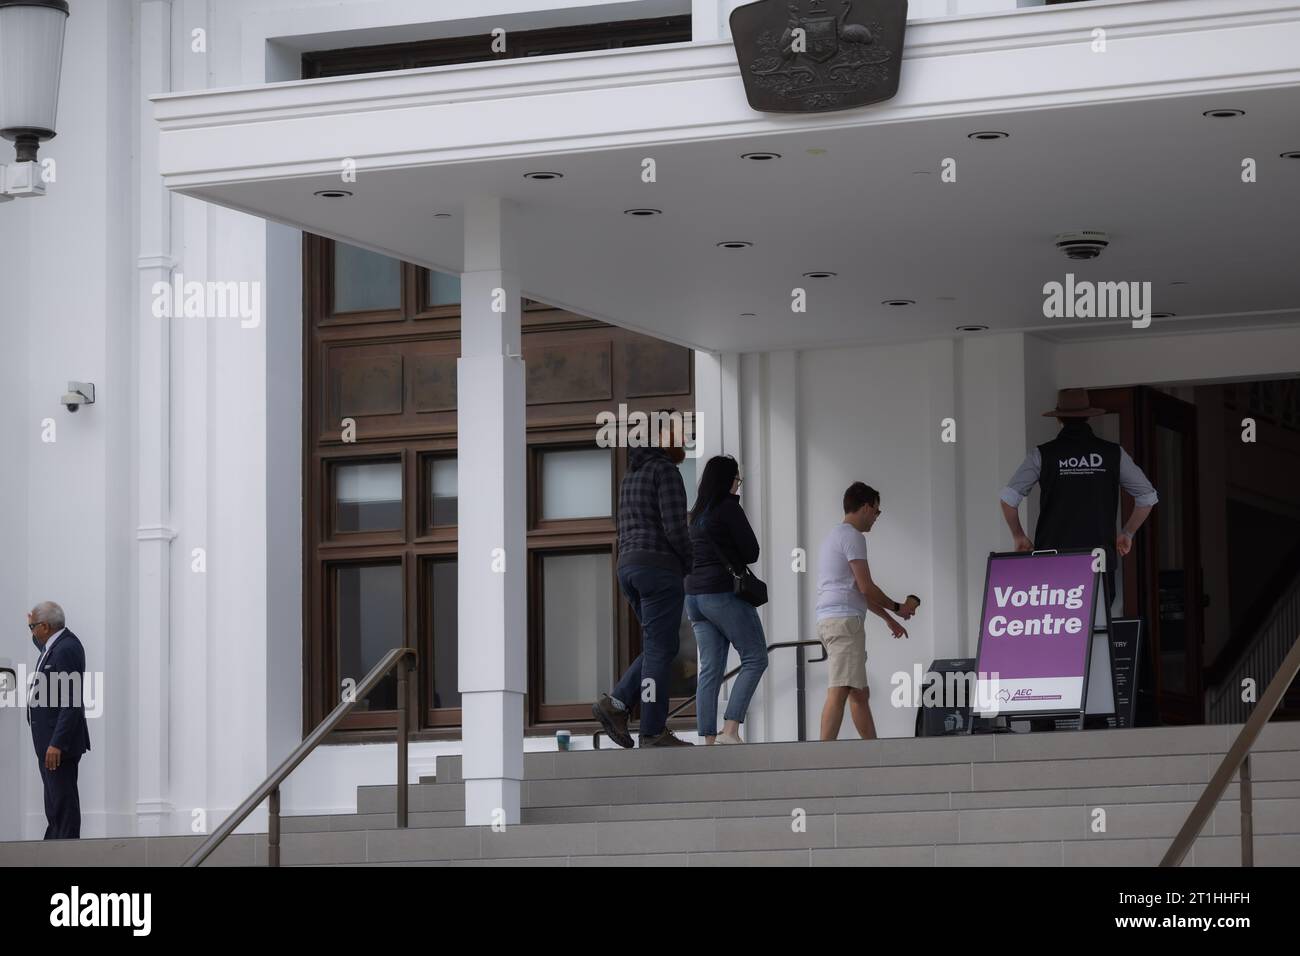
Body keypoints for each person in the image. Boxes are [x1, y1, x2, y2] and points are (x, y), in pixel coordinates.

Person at [592, 412, 694, 748]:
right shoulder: (665, 472)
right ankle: (651, 729)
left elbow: (622, 529)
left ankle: (619, 704)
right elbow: (676, 527)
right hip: (658, 570)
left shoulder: (629, 476)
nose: (683, 440)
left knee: (658, 648)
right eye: (678, 434)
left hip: (629, 568)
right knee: (660, 650)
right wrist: (689, 562)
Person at [1000, 388, 1158, 602]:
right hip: (1098, 559)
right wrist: (1127, 533)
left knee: (1056, 627)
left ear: (1059, 419)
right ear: (1088, 417)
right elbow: (1147, 497)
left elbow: (1009, 498)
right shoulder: (1112, 453)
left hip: (1052, 561)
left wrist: (1018, 536)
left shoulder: (1043, 454)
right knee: (1097, 628)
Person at [816, 483, 916, 741]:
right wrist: (897, 607)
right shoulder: (852, 537)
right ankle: (820, 759)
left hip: (834, 619)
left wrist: (888, 619)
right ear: (866, 507)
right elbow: (866, 587)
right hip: (844, 623)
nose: (876, 518)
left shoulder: (833, 536)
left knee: (859, 692)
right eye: (877, 512)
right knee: (840, 689)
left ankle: (873, 751)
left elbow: (856, 592)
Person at [684, 455, 766, 745]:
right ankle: (730, 731)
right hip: (722, 594)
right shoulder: (728, 508)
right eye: (737, 480)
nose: (737, 485)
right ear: (729, 480)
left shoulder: (694, 515)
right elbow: (752, 552)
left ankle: (708, 742)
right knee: (755, 657)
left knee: (710, 670)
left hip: (693, 598)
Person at [26, 601, 91, 839]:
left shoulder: (67, 649)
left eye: (33, 627)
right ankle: (54, 849)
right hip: (49, 744)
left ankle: (66, 854)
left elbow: (71, 701)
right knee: (54, 806)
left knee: (63, 806)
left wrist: (57, 744)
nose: (32, 632)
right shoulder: (54, 646)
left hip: (58, 747)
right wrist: (30, 625)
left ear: (45, 626)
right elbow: (41, 646)